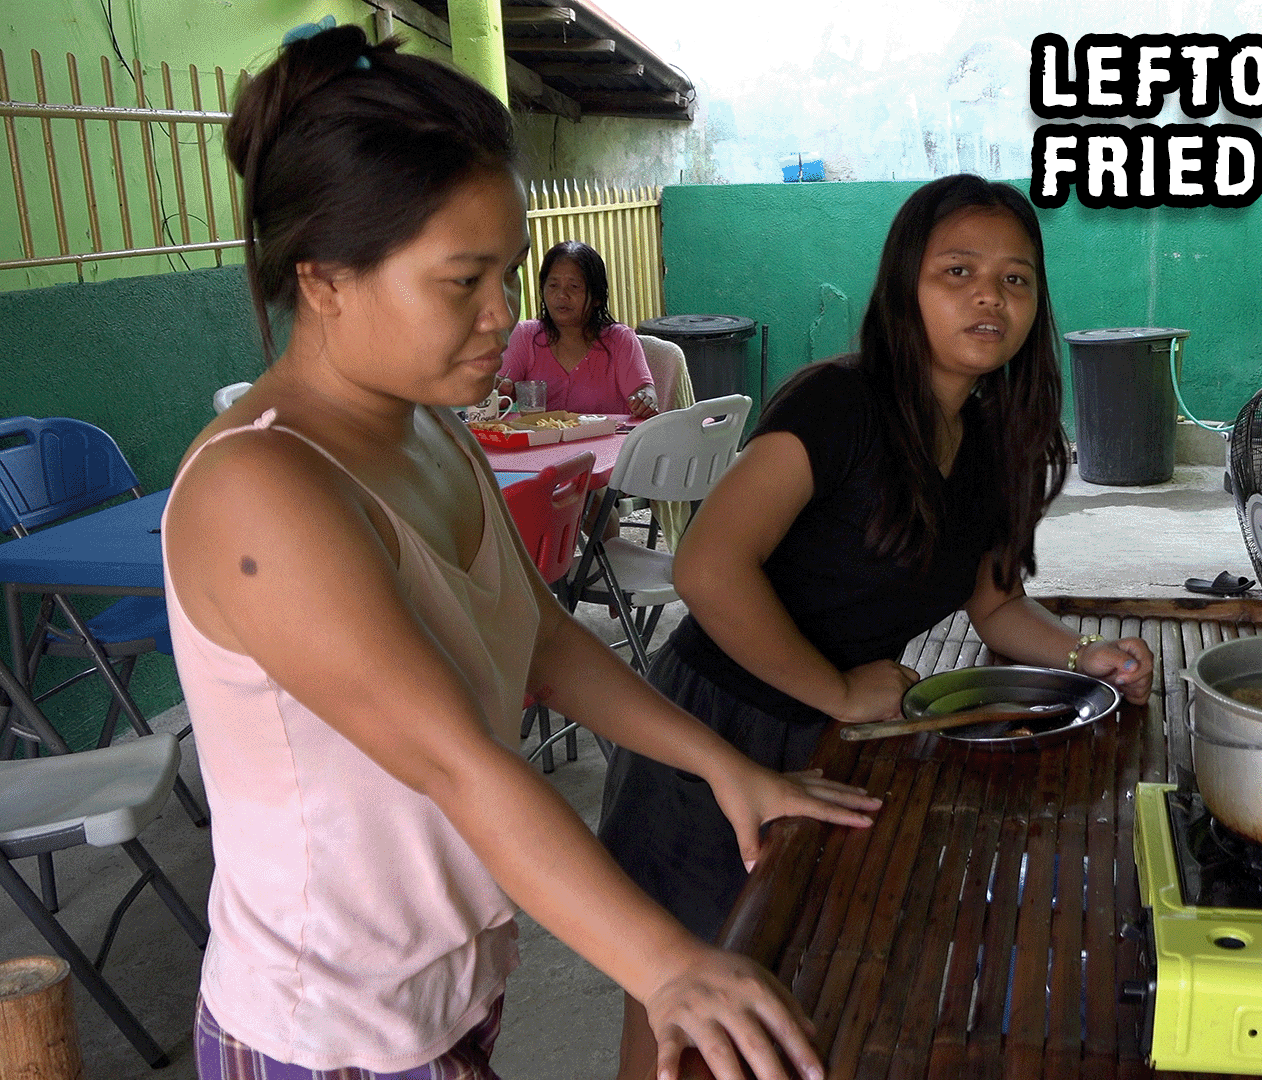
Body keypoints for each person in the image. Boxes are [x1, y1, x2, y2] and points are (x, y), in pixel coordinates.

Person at [164, 23, 879, 1080]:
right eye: (463, 282)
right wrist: (665, 962)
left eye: (510, 272)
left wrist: (725, 766)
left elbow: (541, 641)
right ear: (323, 279)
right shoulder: (260, 491)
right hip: (328, 1036)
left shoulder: (430, 432)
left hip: (451, 988)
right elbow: (459, 760)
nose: (507, 314)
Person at [596, 173, 1156, 1078]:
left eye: (1016, 279)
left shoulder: (992, 438)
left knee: (793, 990)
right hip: (711, 734)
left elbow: (996, 602)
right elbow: (707, 568)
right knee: (681, 1026)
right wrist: (838, 687)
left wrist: (1086, 654)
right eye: (959, 271)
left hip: (837, 739)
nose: (990, 295)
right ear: (906, 287)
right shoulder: (838, 406)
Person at [493, 240, 663, 418]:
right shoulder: (525, 336)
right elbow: (502, 394)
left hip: (608, 445)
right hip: (542, 445)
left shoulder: (619, 339)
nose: (561, 295)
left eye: (574, 287)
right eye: (553, 285)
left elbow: (644, 391)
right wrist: (498, 391)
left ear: (597, 297)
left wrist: (645, 400)